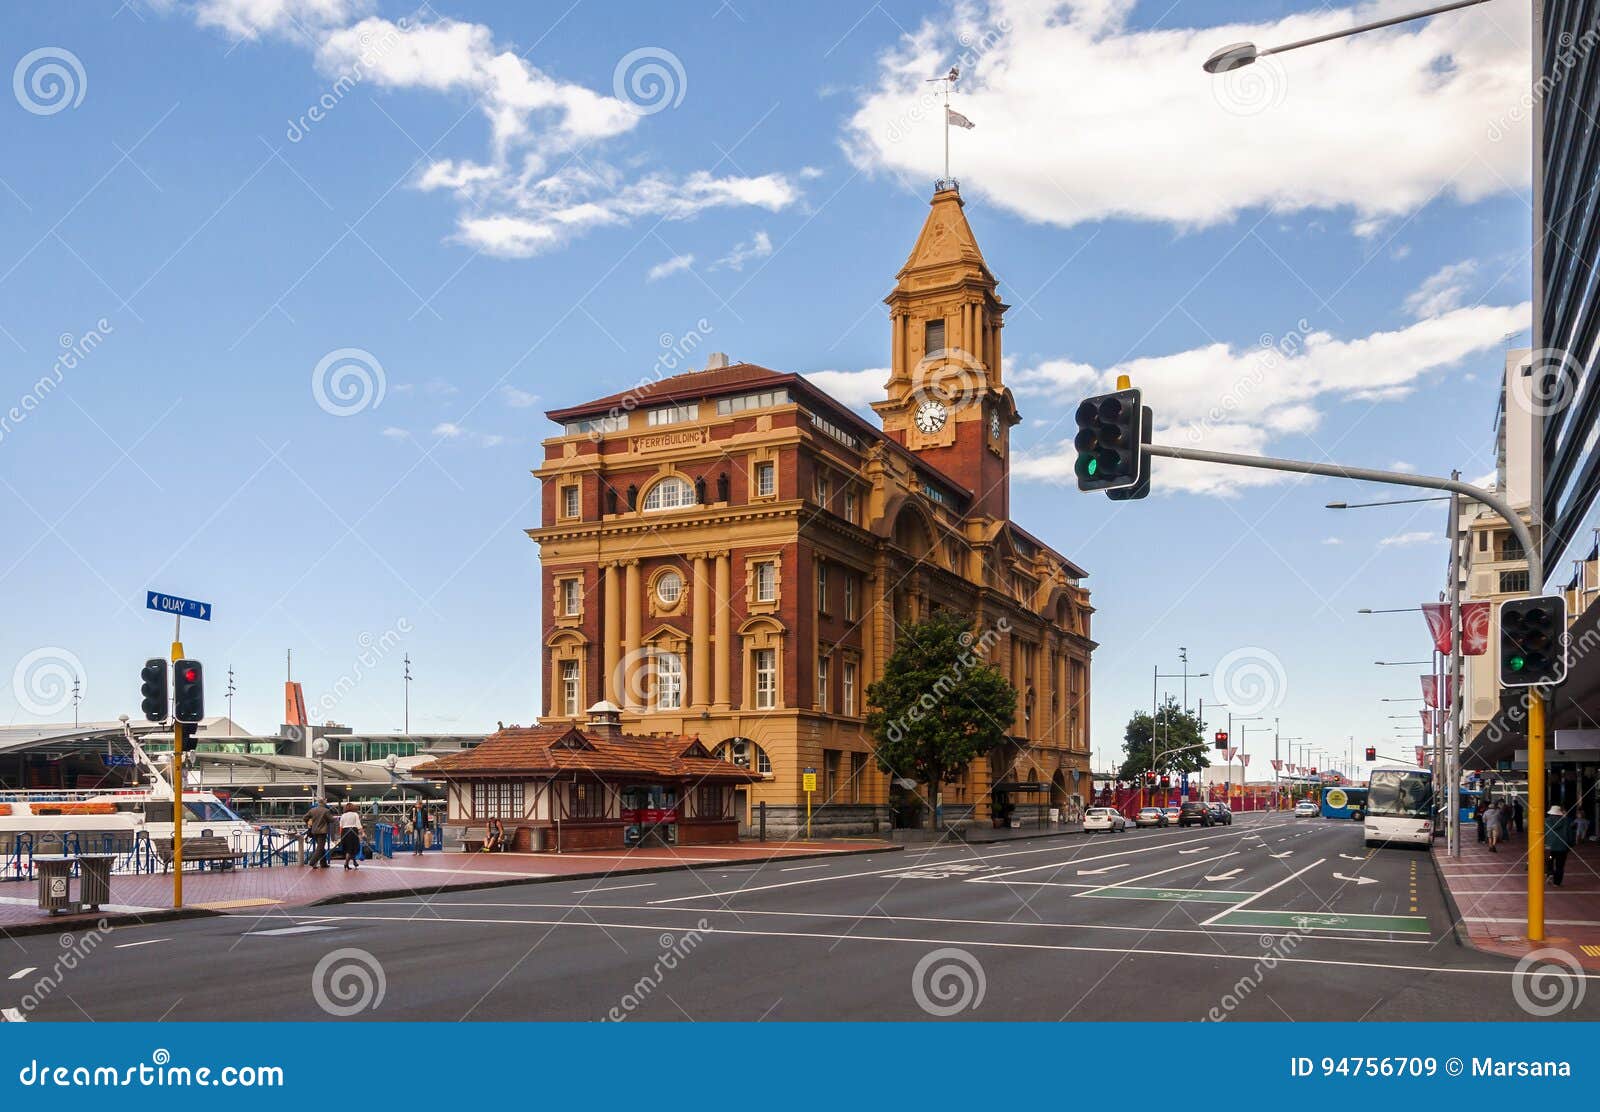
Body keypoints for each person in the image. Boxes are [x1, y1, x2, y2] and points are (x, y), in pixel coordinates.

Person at [1547, 804, 1576, 887]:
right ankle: (1557, 882)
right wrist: (1570, 845)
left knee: (1550, 859)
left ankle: (1550, 872)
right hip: (1562, 848)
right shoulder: (1566, 821)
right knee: (1560, 865)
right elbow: (1570, 834)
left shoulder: (1545, 821)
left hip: (1549, 847)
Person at [304, 799, 332, 868]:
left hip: (314, 831)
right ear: (324, 803)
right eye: (325, 801)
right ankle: (312, 861)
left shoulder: (312, 810)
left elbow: (305, 818)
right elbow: (331, 819)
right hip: (322, 831)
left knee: (321, 847)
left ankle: (323, 863)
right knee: (320, 847)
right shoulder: (326, 810)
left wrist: (309, 823)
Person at [338, 802, 363, 871]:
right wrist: (362, 832)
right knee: (353, 848)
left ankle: (353, 862)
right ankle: (346, 863)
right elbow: (358, 824)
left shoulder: (343, 815)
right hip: (353, 831)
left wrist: (341, 836)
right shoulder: (355, 814)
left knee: (348, 848)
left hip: (345, 831)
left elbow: (341, 826)